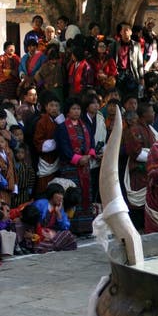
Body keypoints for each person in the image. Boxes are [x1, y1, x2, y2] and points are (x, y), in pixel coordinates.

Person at [55, 97, 97, 234]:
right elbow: (63, 148)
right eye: (73, 108)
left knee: (86, 196)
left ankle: (86, 227)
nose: (76, 111)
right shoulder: (62, 128)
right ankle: (71, 227)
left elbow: (92, 143)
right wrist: (78, 159)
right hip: (70, 168)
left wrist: (89, 156)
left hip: (85, 167)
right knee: (72, 196)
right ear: (68, 111)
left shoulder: (85, 126)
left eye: (78, 108)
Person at [122, 102, 158, 229]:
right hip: (139, 173)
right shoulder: (134, 130)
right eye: (152, 112)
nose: (154, 114)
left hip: (150, 173)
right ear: (145, 114)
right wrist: (156, 156)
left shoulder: (149, 129)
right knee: (137, 207)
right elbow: (136, 153)